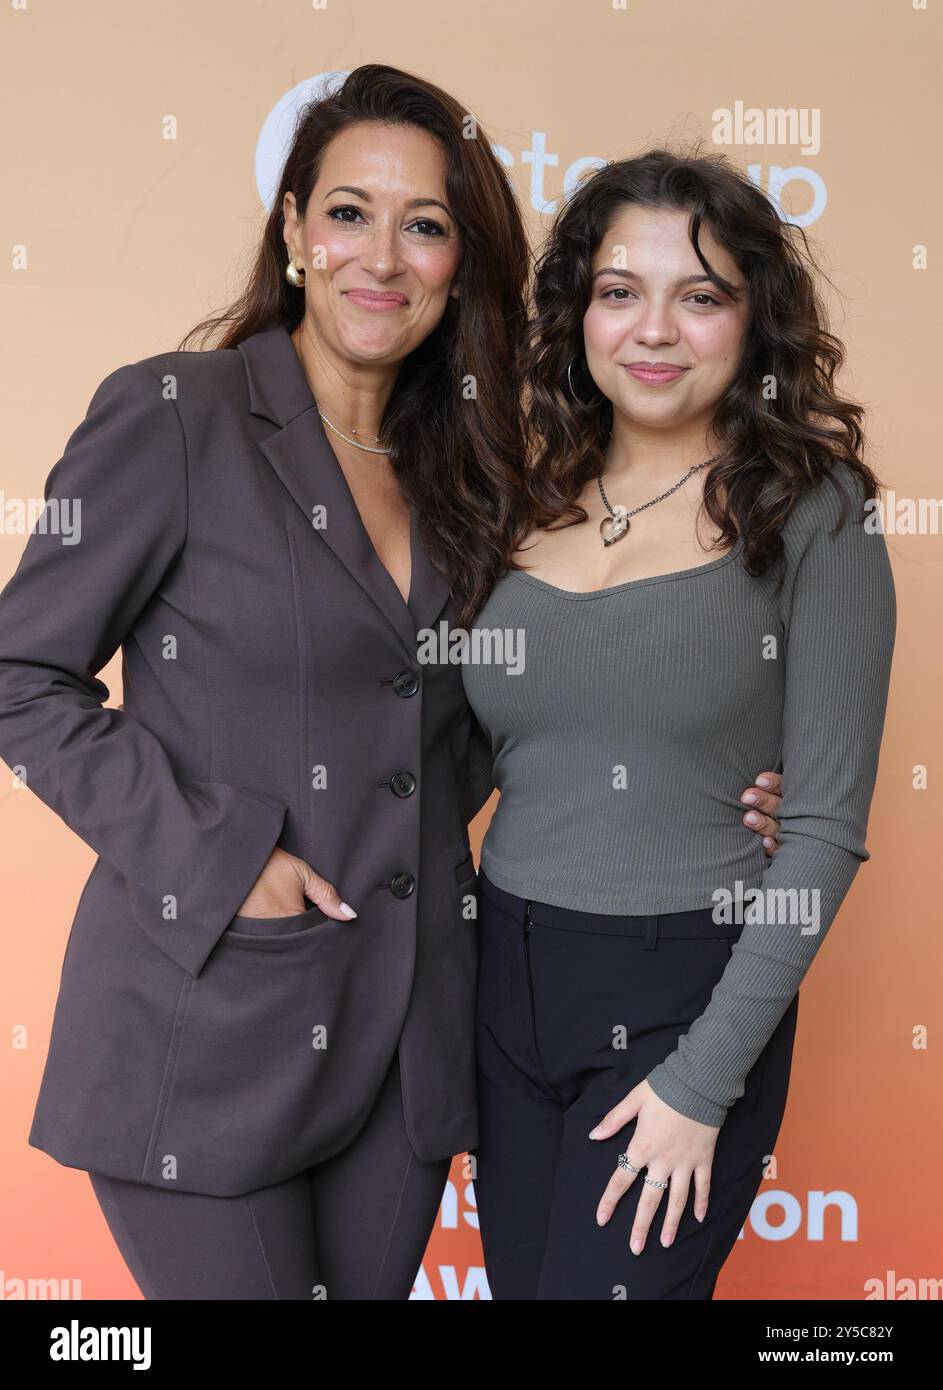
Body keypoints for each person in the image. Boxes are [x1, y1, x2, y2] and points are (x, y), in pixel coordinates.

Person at [0, 68, 781, 1298]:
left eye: (424, 224)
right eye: (350, 213)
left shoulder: (471, 472)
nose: (384, 255)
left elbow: (484, 729)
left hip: (406, 1041)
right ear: (296, 231)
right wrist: (222, 863)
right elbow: (18, 676)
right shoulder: (177, 414)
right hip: (208, 1023)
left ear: (461, 262)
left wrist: (709, 788)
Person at [463, 149, 896, 1299]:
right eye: (620, 290)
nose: (654, 329)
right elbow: (464, 757)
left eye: (699, 295)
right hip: (499, 983)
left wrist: (704, 1082)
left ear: (753, 321)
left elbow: (819, 834)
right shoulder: (519, 497)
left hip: (681, 995)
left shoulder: (815, 510)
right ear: (578, 313)